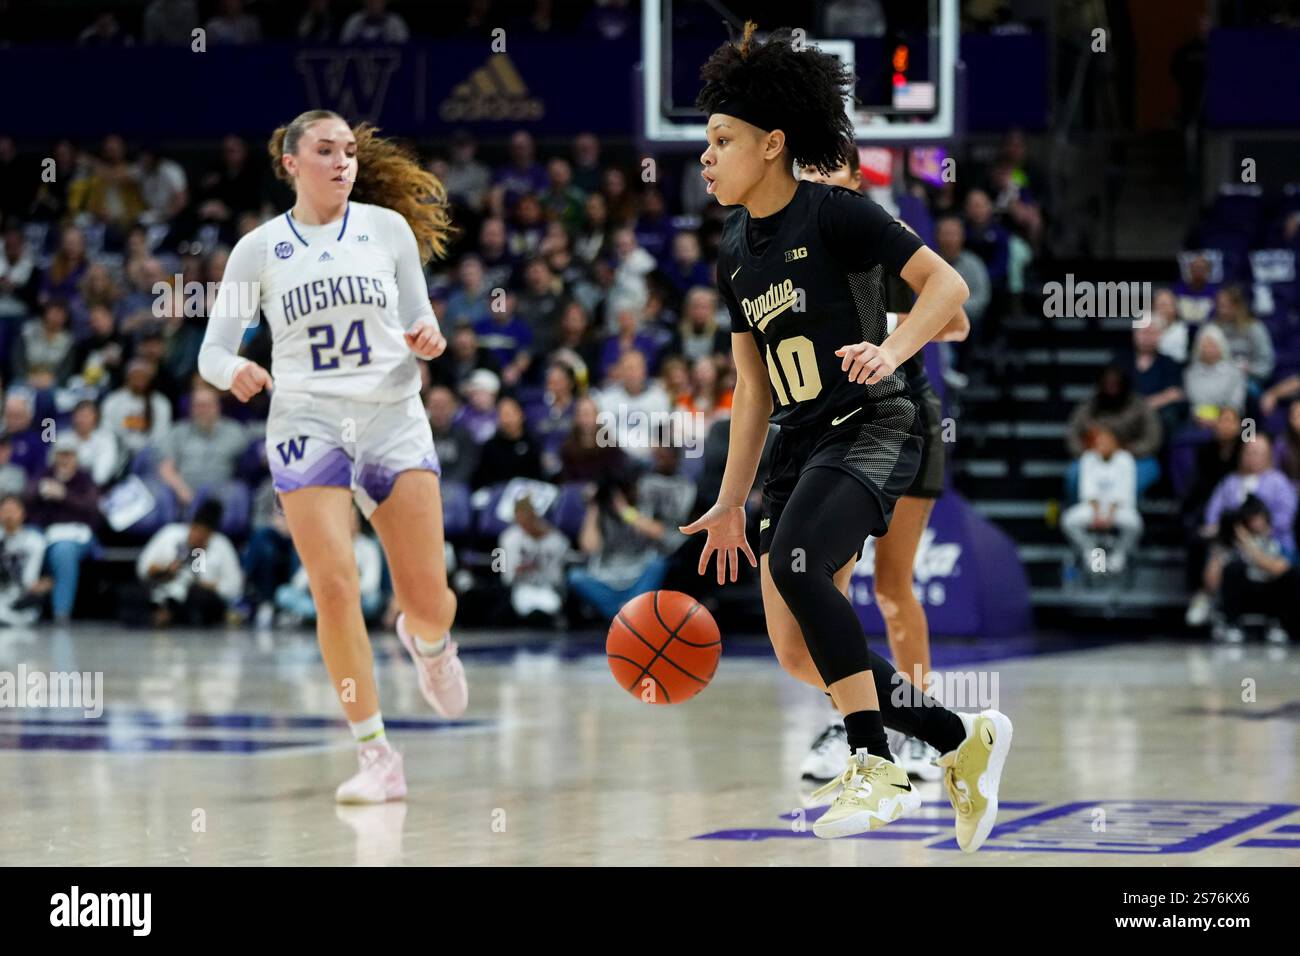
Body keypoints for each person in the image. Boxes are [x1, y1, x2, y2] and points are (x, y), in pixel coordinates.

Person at [681, 23, 1010, 847]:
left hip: (871, 421)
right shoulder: (733, 251)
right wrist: (729, 502)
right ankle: (959, 738)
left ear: (774, 144)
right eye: (706, 143)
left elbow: (950, 288)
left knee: (800, 563)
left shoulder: (837, 213)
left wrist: (891, 348)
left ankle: (875, 766)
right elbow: (751, 388)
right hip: (797, 442)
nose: (707, 156)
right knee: (800, 654)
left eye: (722, 139)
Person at [198, 110, 467, 803]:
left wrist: (427, 338)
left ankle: (430, 643)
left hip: (391, 416)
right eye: (325, 150)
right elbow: (212, 349)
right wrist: (235, 373)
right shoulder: (258, 249)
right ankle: (376, 754)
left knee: (428, 601)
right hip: (306, 420)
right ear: (291, 162)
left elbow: (421, 316)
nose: (342, 161)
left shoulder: (388, 231)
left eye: (349, 150)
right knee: (335, 585)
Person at [796, 146, 971, 784]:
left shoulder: (870, 231)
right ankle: (852, 720)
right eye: (808, 167)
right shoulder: (791, 244)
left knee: (894, 587)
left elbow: (957, 319)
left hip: (902, 417)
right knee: (826, 592)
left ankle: (920, 731)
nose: (812, 176)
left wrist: (884, 329)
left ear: (851, 175)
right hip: (830, 426)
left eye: (825, 166)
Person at [131, 499, 243, 627]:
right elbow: (143, 568)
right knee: (133, 595)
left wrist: (206, 585)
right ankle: (161, 613)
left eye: (204, 535)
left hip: (197, 598)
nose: (197, 537)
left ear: (211, 534)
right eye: (196, 530)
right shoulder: (170, 534)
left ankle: (171, 614)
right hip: (162, 588)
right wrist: (165, 571)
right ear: (191, 525)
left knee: (202, 600)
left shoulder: (221, 545)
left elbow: (234, 587)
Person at [1204, 496, 1297, 644]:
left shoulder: (1279, 541)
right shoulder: (1230, 546)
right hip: (1241, 595)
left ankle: (1279, 625)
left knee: (1291, 575)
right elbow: (1211, 586)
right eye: (1250, 520)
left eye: (1259, 519)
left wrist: (1248, 544)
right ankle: (1232, 625)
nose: (1256, 524)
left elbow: (1279, 568)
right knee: (1234, 567)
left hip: (1269, 594)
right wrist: (1219, 548)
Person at [1060, 425, 1143, 576]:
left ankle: (1119, 555)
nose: (1101, 445)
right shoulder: (1088, 458)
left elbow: (1123, 491)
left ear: (1115, 442)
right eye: (1099, 442)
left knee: (1134, 523)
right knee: (1069, 520)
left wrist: (1110, 515)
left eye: (1106, 441)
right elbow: (1088, 491)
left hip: (1120, 510)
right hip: (1093, 509)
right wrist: (1098, 514)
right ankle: (1091, 551)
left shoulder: (1125, 459)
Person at [497, 496, 570, 626]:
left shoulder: (557, 541)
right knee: (523, 609)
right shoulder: (508, 538)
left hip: (546, 588)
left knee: (551, 605)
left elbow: (558, 579)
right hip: (522, 588)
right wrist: (520, 570)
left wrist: (539, 567)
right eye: (519, 515)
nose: (524, 520)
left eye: (528, 514)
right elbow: (505, 577)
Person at [0, 494, 50, 626]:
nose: (9, 516)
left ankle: (14, 617)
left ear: (22, 513)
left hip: (22, 593)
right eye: (5, 511)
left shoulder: (35, 541)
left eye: (13, 511)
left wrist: (34, 586)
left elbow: (30, 579)